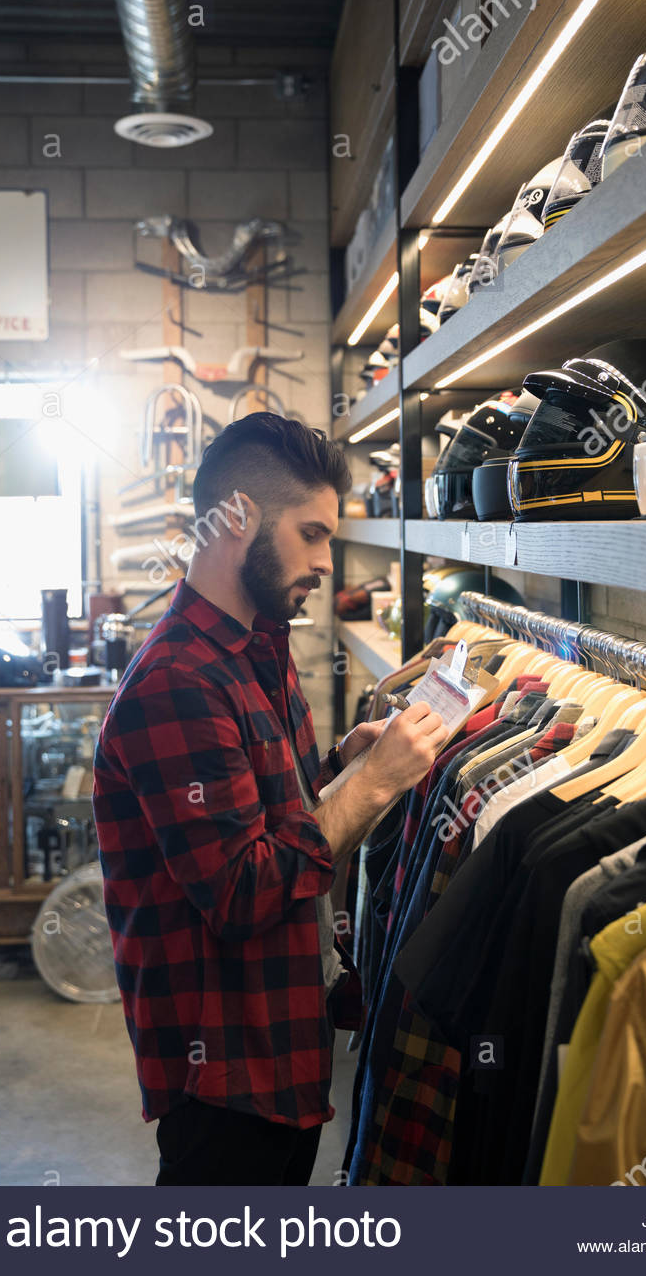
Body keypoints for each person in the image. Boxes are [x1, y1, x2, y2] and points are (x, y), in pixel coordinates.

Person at [92, 413, 449, 1186]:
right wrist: (380, 783)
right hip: (226, 1072)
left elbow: (261, 815)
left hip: (280, 1041)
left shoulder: (259, 644)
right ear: (242, 519)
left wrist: (338, 771)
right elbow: (244, 889)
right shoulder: (178, 682)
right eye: (313, 534)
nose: (327, 561)